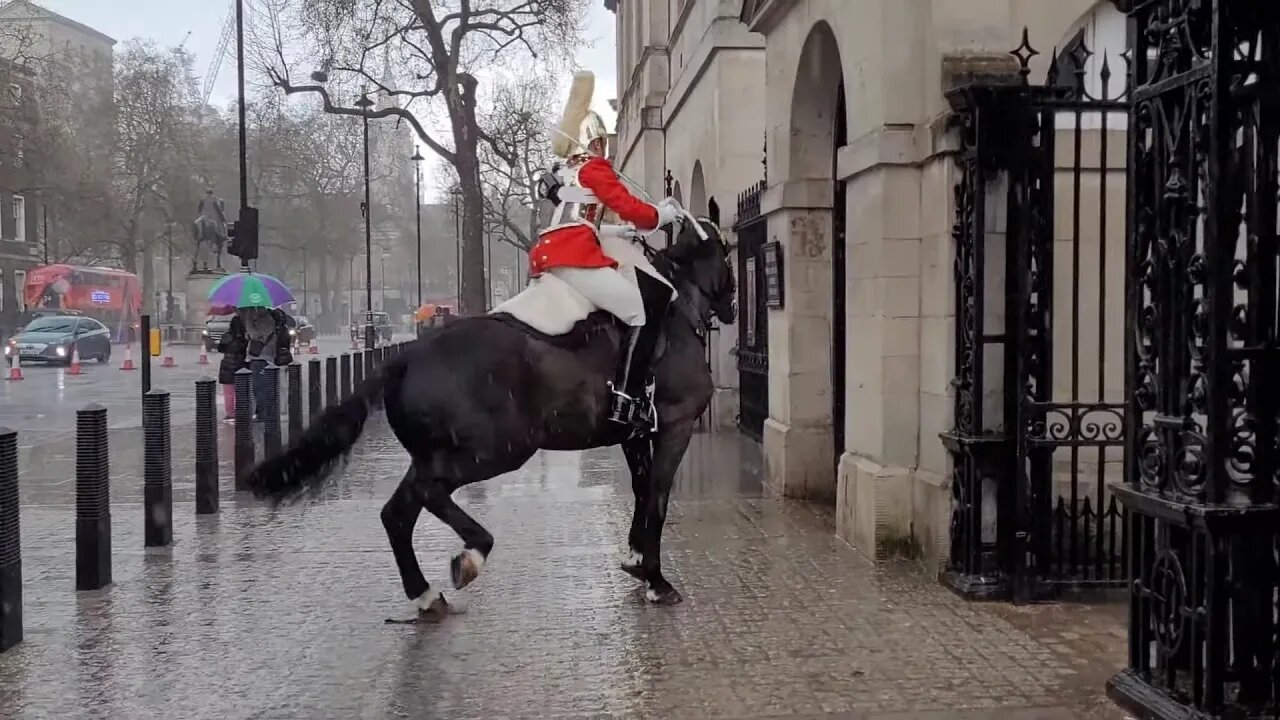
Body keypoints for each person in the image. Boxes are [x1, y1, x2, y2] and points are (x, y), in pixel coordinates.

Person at [530, 70, 681, 431]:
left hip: (552, 254)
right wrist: (663, 214)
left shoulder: (568, 173)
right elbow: (635, 208)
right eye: (601, 143)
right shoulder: (593, 169)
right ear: (592, 143)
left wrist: (620, 230)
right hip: (576, 257)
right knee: (638, 314)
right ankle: (626, 402)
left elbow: (580, 221)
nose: (604, 150)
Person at [216, 314, 248, 420]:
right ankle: (241, 411)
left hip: (227, 365)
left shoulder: (227, 336)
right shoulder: (245, 337)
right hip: (241, 364)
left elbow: (220, 349)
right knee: (241, 390)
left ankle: (230, 413)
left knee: (228, 392)